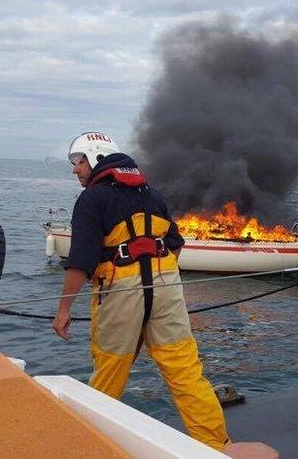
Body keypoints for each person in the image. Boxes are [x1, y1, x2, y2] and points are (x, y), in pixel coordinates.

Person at [52, 131, 230, 451]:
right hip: (167, 287)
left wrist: (64, 310)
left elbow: (80, 261)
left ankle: (93, 449)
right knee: (186, 372)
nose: (74, 169)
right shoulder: (153, 194)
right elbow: (174, 243)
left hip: (120, 292)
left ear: (95, 158)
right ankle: (216, 447)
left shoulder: (92, 198)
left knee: (109, 373)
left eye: (77, 162)